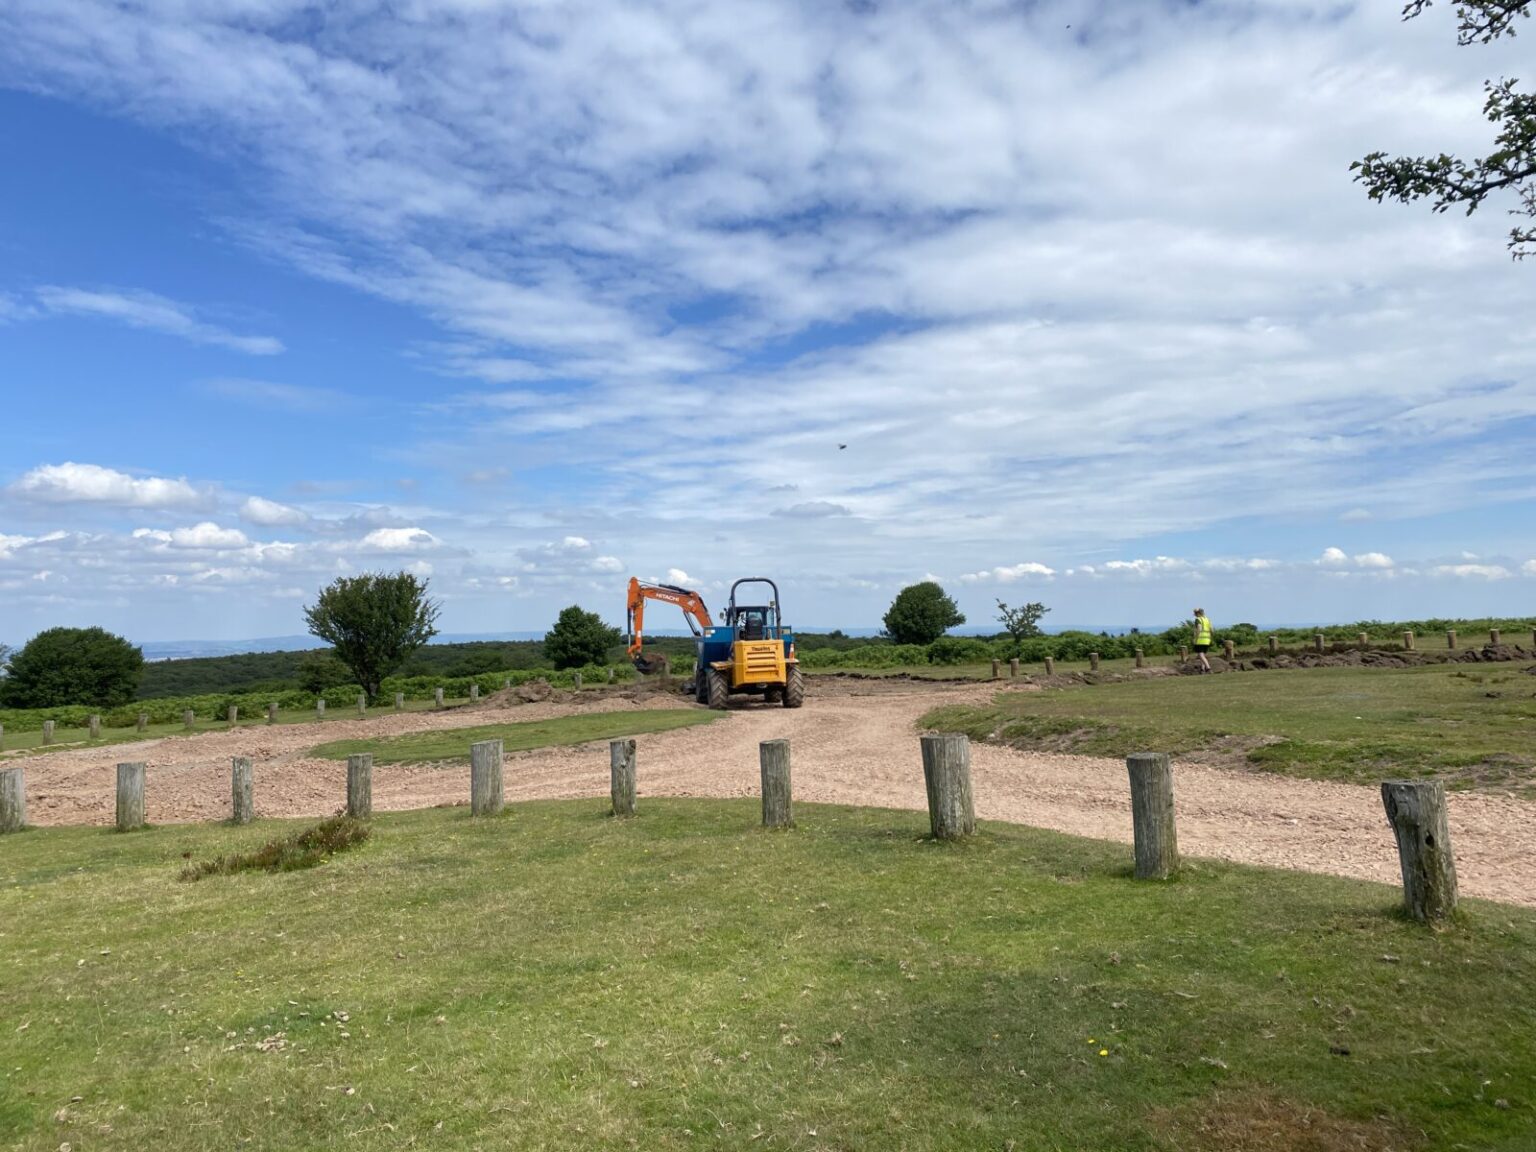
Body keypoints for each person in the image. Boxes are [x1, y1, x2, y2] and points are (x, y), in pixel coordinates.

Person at [1191, 608, 1213, 673]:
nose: (1194, 615)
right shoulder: (1207, 619)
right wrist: (1210, 637)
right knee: (1203, 655)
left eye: (1195, 613)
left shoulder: (1198, 619)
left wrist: (1195, 638)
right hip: (1207, 640)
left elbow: (1199, 628)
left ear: (1198, 613)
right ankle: (1202, 669)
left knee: (1200, 654)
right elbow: (1211, 630)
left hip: (1200, 640)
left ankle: (1208, 668)